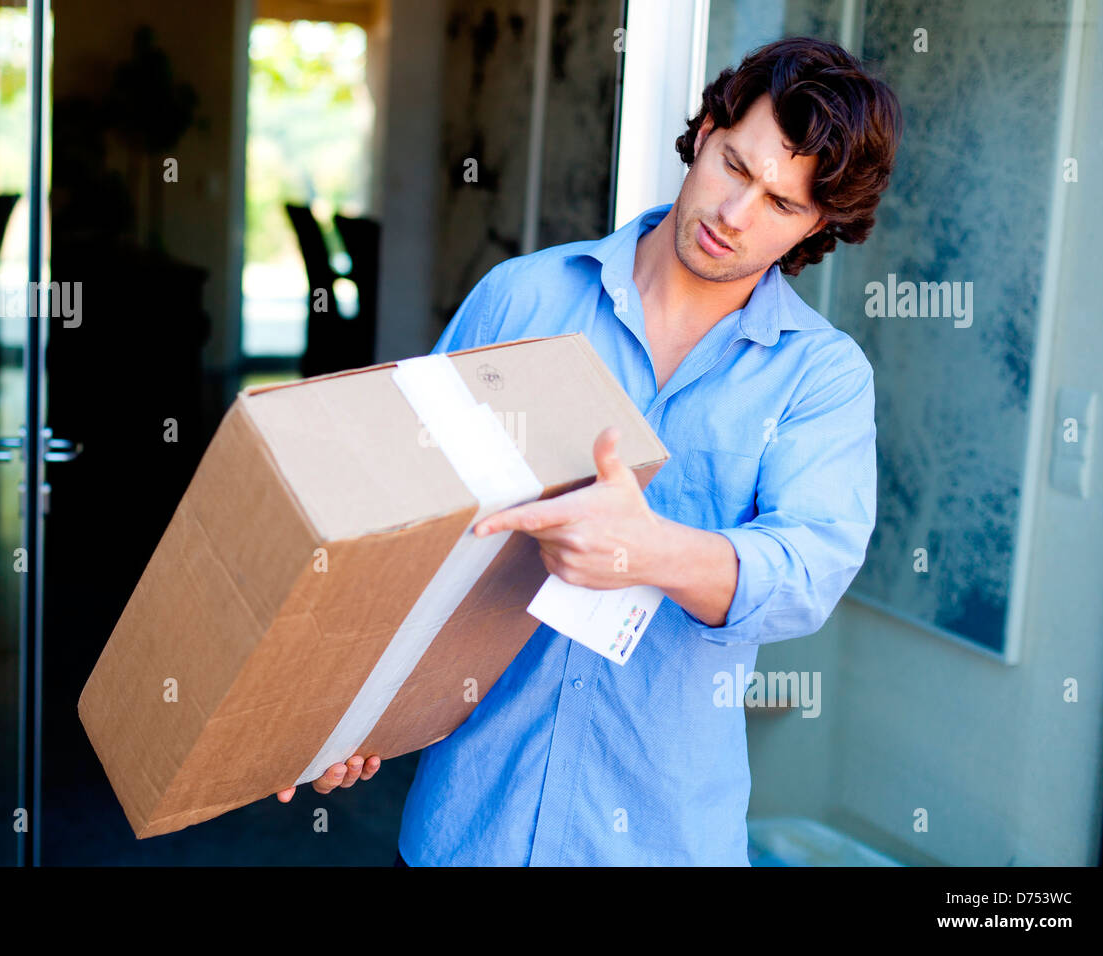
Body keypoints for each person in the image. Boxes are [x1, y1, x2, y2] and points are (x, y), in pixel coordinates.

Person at [276, 35, 902, 866]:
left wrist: (652, 551)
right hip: (470, 831)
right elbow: (407, 521)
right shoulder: (520, 301)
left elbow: (807, 573)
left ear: (818, 223)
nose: (735, 214)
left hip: (660, 838)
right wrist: (356, 710)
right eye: (735, 167)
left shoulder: (820, 378)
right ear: (708, 130)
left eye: (783, 204)